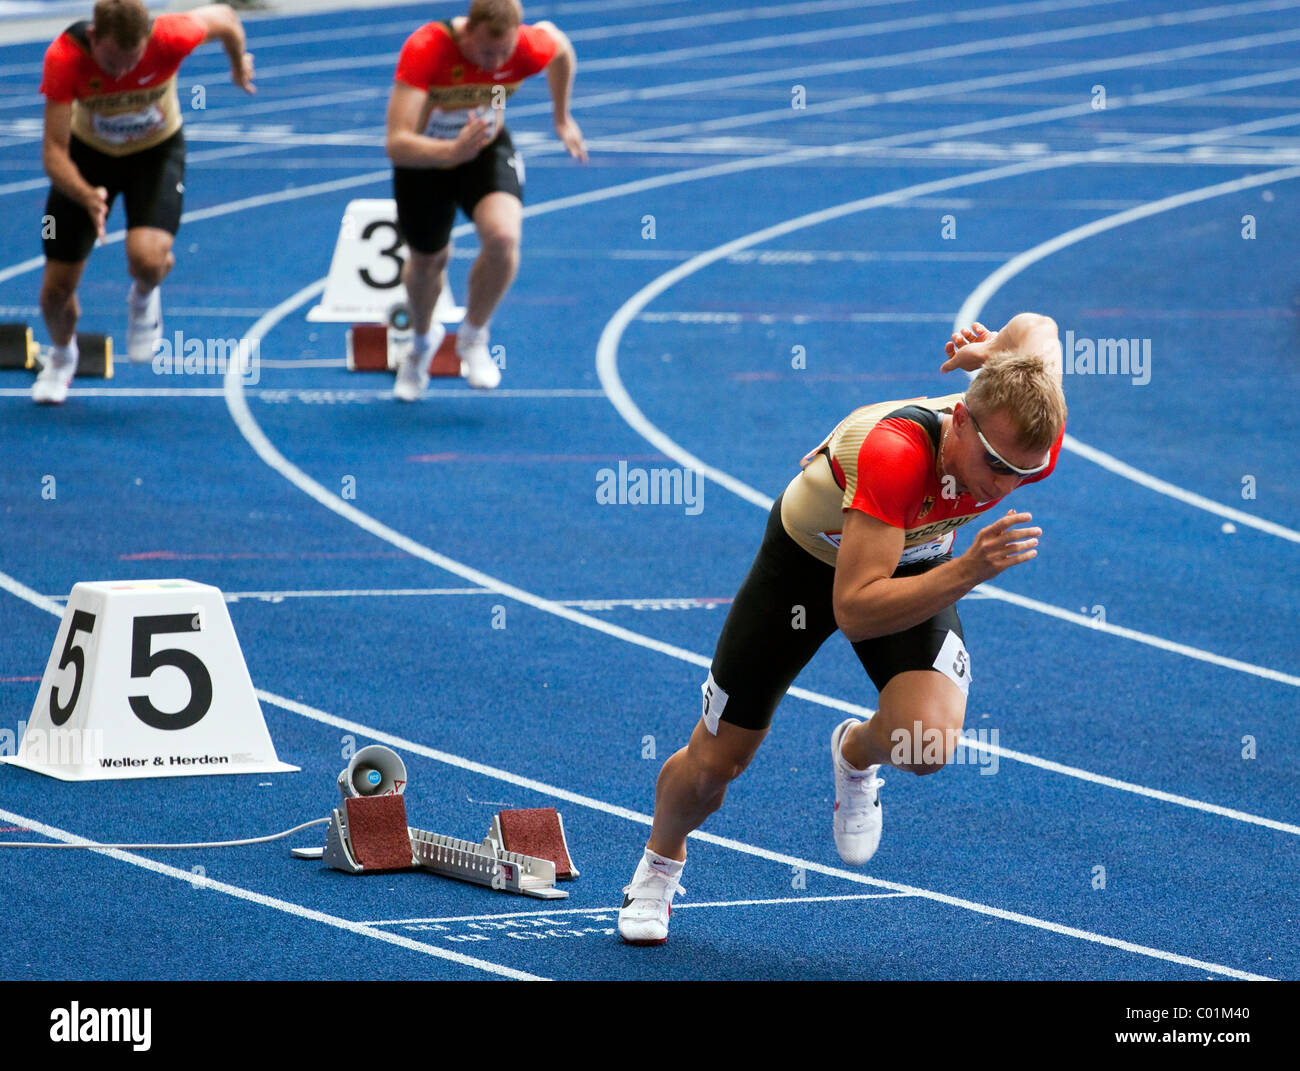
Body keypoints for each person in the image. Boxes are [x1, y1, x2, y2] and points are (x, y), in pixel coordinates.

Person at [617, 314, 1068, 945]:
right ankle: (659, 866)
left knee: (927, 743)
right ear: (961, 419)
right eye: (994, 463)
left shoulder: (1030, 422)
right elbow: (854, 609)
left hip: (910, 557)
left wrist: (995, 352)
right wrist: (968, 570)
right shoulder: (898, 456)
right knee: (717, 763)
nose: (1004, 483)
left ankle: (854, 754)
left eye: (1024, 471)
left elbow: (1039, 329)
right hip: (807, 566)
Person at [34, 0, 255, 405]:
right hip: (87, 159)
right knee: (55, 292)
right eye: (112, 63)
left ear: (149, 39)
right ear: (95, 38)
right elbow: (52, 153)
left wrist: (238, 63)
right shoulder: (64, 57)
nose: (122, 73)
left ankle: (142, 297)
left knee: (149, 260)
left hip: (154, 152)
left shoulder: (172, 35)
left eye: (132, 62)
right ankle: (63, 356)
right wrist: (86, 194)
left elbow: (225, 17)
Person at [385, 0, 585, 400]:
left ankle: (473, 336)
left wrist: (561, 116)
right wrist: (449, 153)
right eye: (485, 53)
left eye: (504, 54)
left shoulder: (528, 45)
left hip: (485, 149)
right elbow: (396, 144)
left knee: (503, 238)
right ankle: (420, 346)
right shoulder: (426, 47)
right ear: (466, 32)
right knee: (427, 262)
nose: (495, 63)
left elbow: (561, 48)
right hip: (427, 158)